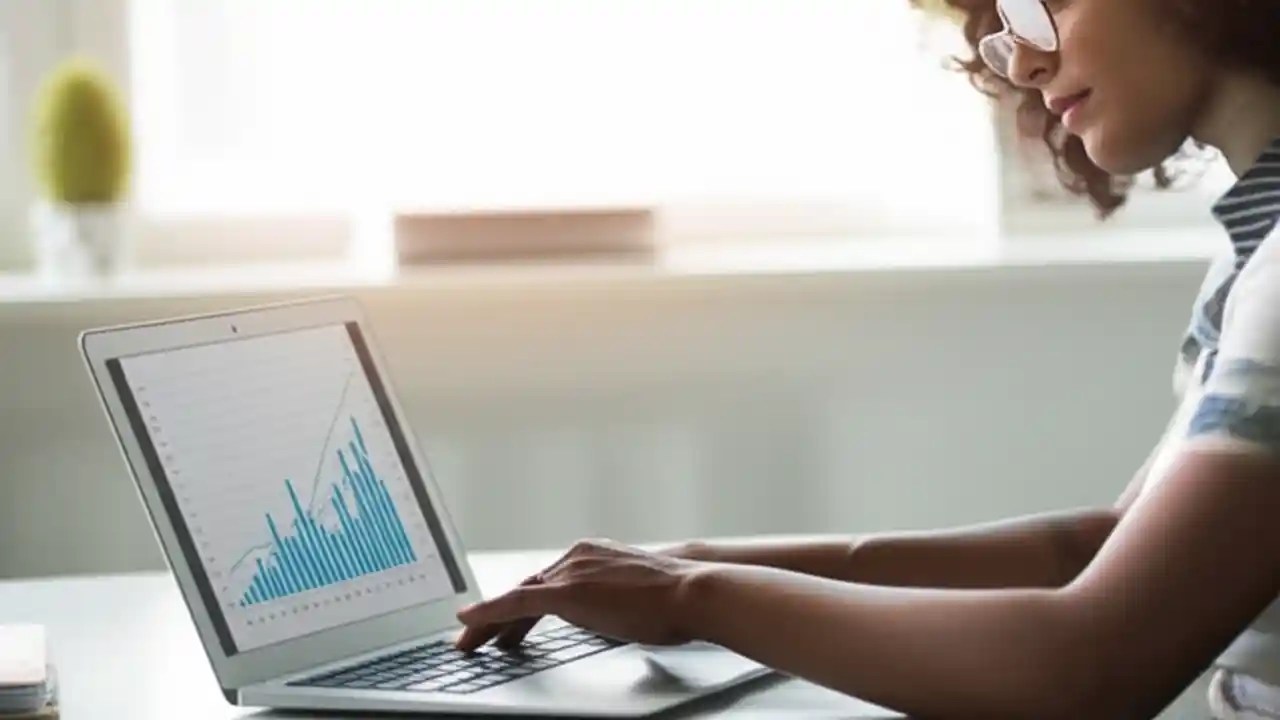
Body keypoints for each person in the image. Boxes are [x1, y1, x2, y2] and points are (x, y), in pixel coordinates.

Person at [455, 1, 1280, 717]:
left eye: (1049, 1)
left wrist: (691, 598)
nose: (1025, 61)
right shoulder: (1253, 254)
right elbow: (1101, 547)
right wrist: (693, 561)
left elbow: (1088, 667)